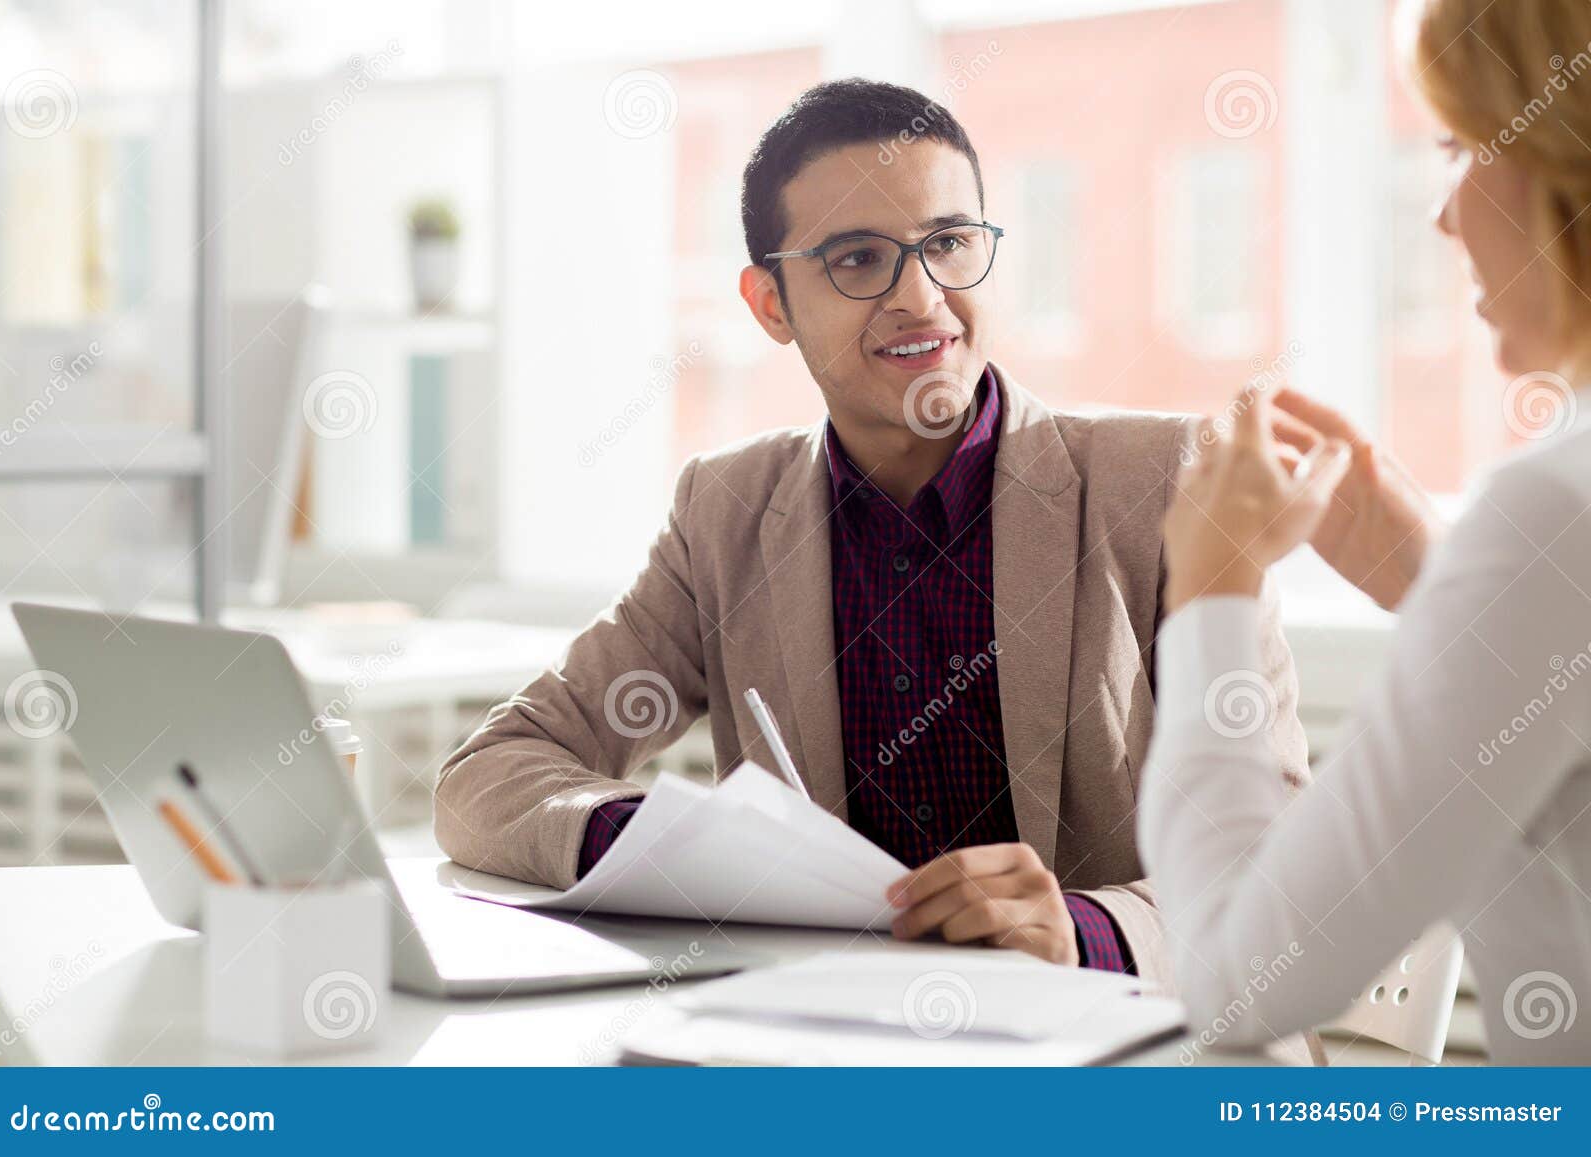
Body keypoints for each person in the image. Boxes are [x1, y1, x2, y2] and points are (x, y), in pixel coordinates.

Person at [436, 78, 1310, 979]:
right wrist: (667, 843)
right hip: (843, 1052)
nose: (921, 297)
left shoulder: (1164, 485)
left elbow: (1283, 863)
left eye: (948, 243)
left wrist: (1089, 930)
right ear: (771, 303)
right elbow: (489, 774)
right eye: (858, 259)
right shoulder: (727, 513)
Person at [1140, 0, 1591, 1062]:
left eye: (1459, 148)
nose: (1440, 215)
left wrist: (1211, 589)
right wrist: (1440, 584)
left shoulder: (1552, 509)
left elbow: (1234, 979)